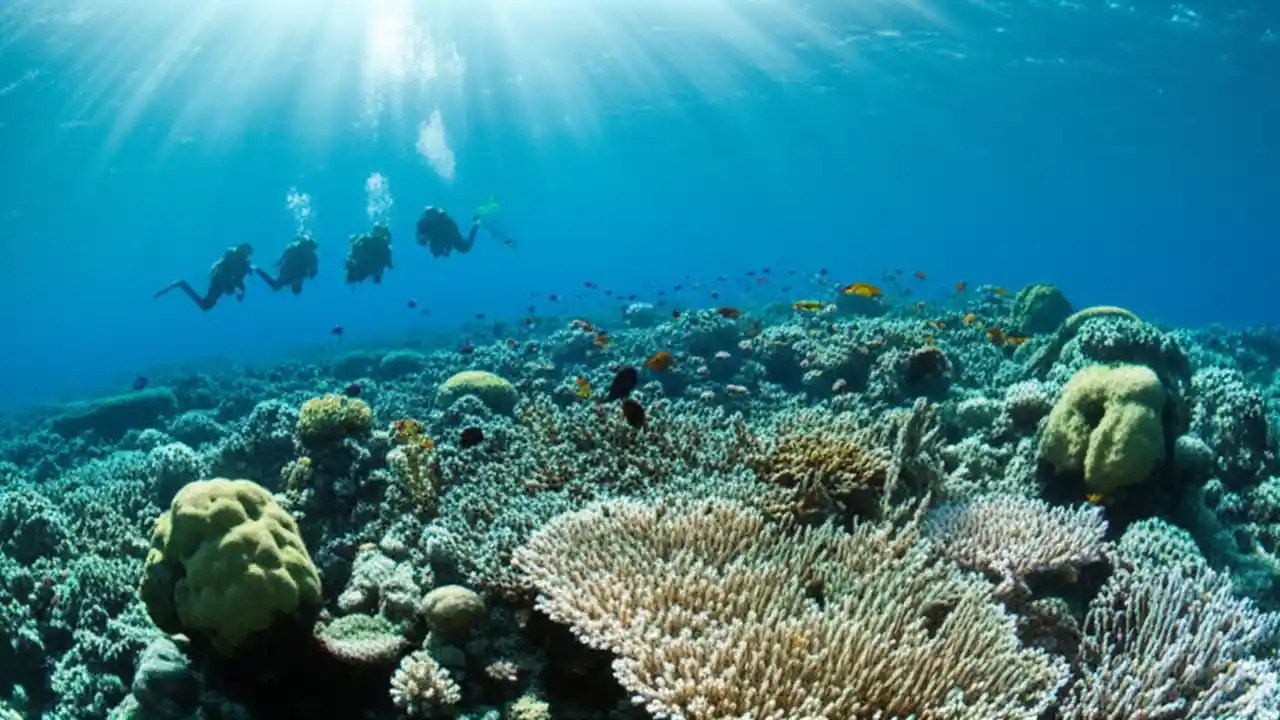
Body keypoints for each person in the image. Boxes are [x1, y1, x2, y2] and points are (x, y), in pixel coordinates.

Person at [155, 244, 254, 311]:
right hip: (220, 279)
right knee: (206, 305)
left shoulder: (242, 262)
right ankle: (181, 284)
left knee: (206, 305)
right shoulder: (234, 256)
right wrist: (239, 287)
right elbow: (223, 269)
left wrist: (239, 287)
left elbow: (239, 278)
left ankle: (182, 284)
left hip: (223, 280)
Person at [416, 206, 480, 258]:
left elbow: (421, 239)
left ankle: (476, 224)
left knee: (464, 248)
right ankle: (476, 223)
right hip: (448, 231)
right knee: (464, 248)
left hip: (446, 231)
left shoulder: (423, 223)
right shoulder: (427, 222)